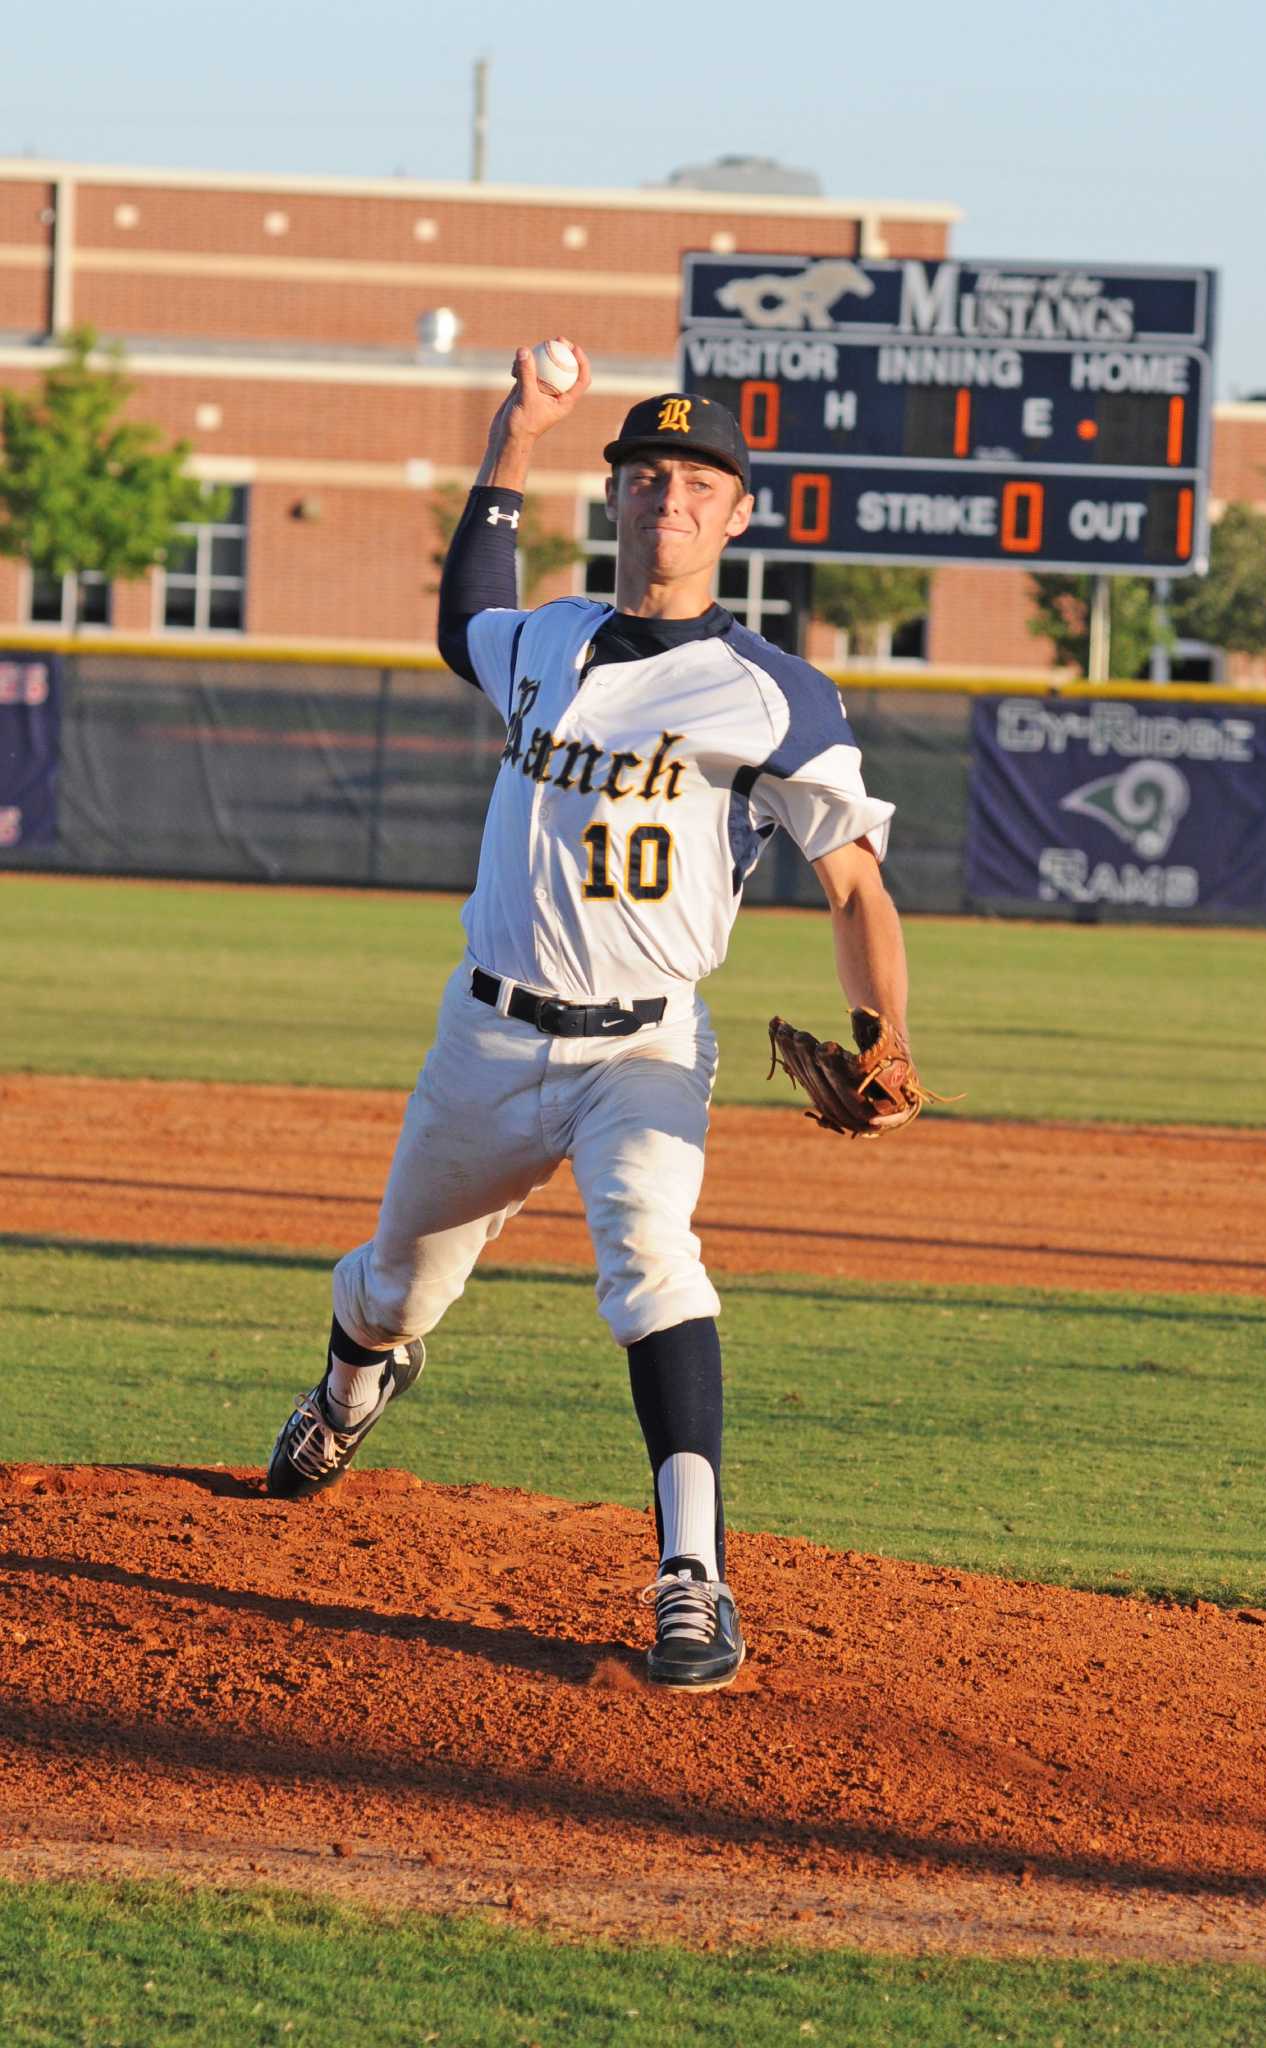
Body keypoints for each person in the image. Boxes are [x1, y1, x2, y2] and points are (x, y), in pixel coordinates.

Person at [266, 342, 918, 1692]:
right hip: (488, 1039)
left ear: (738, 516)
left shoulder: (772, 693)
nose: (668, 494)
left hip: (647, 1047)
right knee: (393, 1287)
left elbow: (854, 883)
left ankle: (694, 1575)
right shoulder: (546, 637)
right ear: (613, 497)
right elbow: (465, 616)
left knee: (652, 1260)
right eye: (645, 472)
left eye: (698, 479)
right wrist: (519, 430)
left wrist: (884, 1034)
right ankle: (351, 1390)